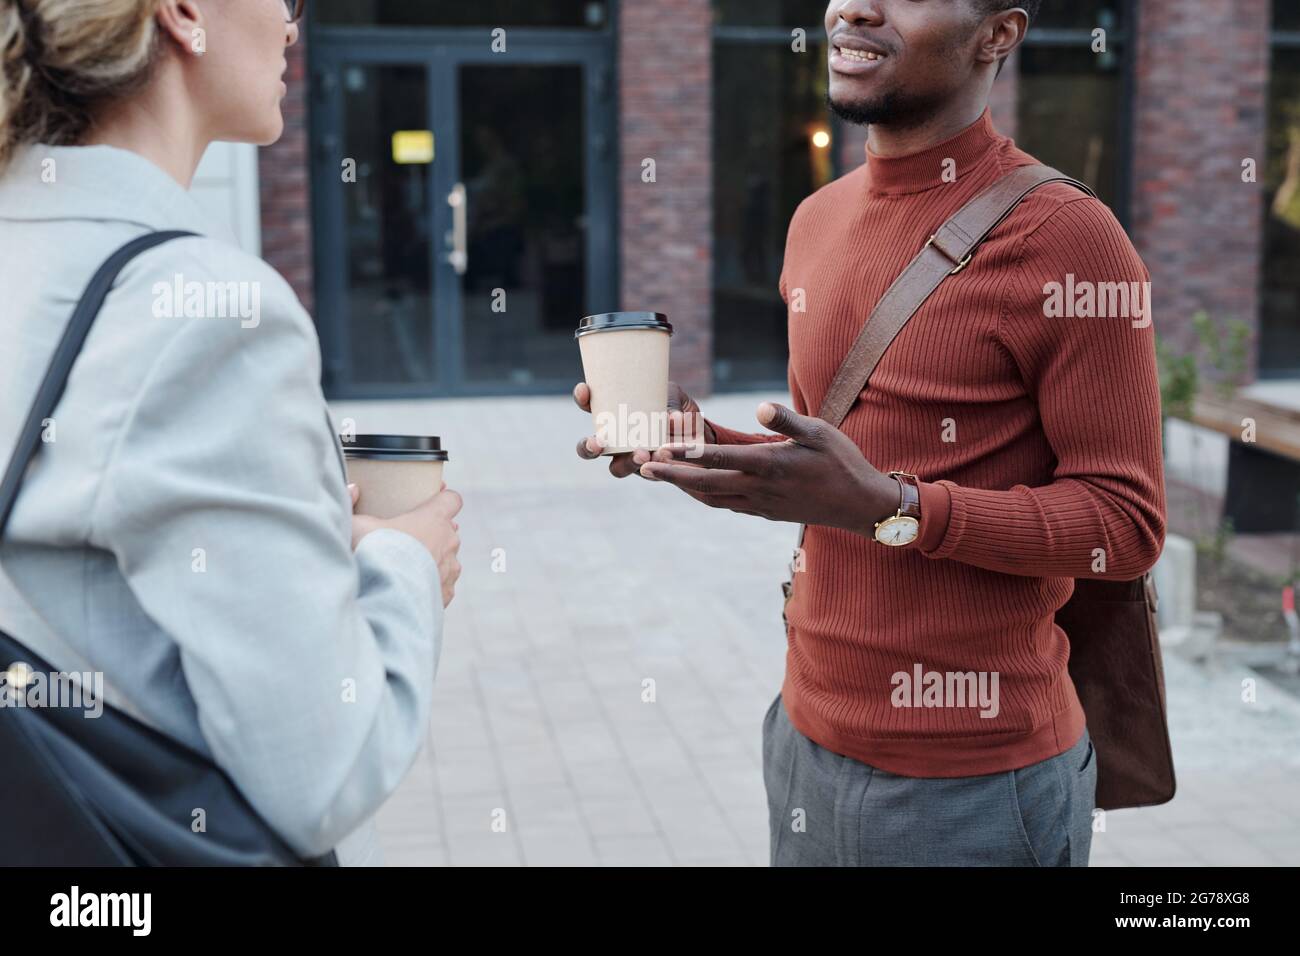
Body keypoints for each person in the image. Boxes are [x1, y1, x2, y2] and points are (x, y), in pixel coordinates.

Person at [575, 0, 1166, 866]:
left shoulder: (1070, 239)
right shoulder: (816, 219)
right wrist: (702, 440)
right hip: (803, 736)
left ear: (999, 33)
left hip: (975, 782)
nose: (852, 5)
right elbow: (847, 463)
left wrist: (896, 510)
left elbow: (1126, 526)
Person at [0, 0, 461, 864]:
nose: (294, 27)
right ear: (181, 12)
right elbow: (325, 773)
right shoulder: (207, 309)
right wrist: (404, 564)